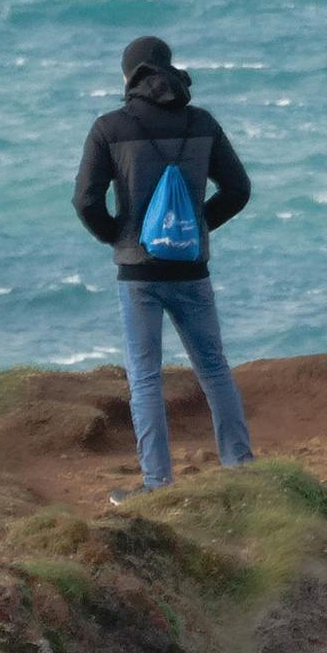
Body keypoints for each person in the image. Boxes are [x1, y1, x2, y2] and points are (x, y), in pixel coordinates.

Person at [72, 32, 255, 487]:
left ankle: (157, 483)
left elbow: (85, 200)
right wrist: (198, 226)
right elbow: (238, 190)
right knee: (213, 367)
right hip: (191, 268)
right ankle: (241, 467)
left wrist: (118, 237)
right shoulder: (202, 123)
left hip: (139, 272)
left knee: (145, 377)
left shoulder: (109, 128)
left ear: (128, 75)